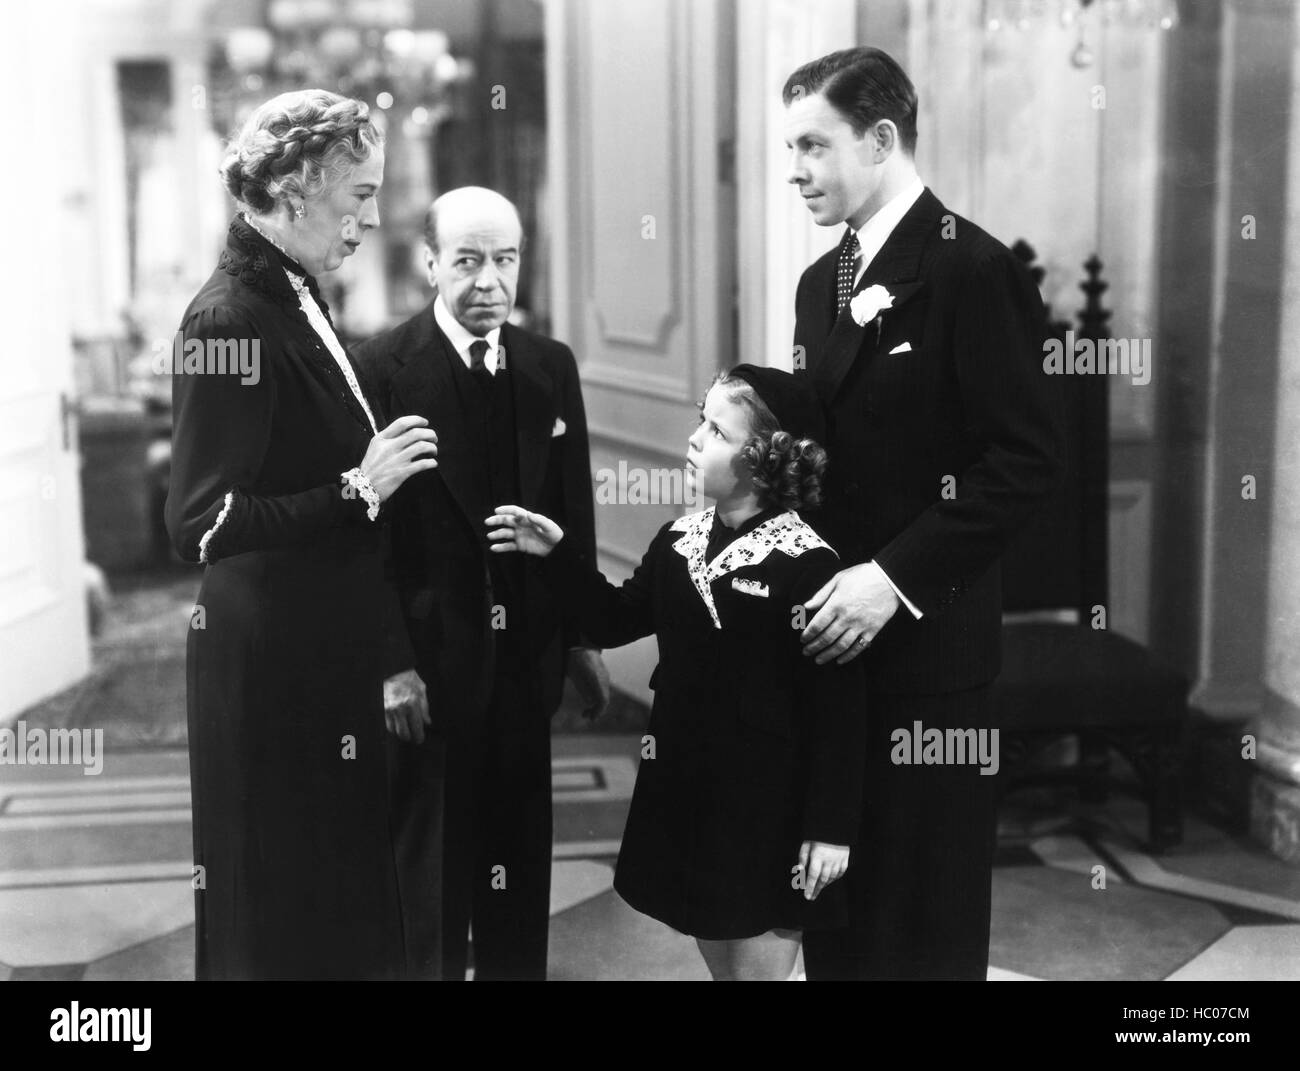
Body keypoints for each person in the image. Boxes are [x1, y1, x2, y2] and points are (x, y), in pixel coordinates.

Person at [783, 47, 1065, 980]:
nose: (797, 171)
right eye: (793, 149)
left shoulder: (975, 271)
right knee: (838, 923)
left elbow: (1024, 465)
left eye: (814, 147)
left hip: (928, 662)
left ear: (883, 138)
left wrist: (893, 581)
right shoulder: (817, 283)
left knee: (921, 932)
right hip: (828, 654)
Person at [165, 89, 438, 980]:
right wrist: (363, 486)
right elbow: (200, 522)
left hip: (318, 649)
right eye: (358, 194)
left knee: (328, 891)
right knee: (278, 901)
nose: (371, 216)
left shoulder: (292, 292)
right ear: (292, 187)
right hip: (268, 664)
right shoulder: (227, 319)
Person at [487, 365, 866, 982]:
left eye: (716, 430)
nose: (694, 439)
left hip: (770, 807)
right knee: (717, 953)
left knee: (757, 972)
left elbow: (840, 713)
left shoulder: (810, 568)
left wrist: (829, 832)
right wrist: (557, 556)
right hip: (690, 789)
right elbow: (612, 620)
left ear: (765, 458)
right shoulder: (678, 541)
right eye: (701, 420)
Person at [354, 186, 608, 981]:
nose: (489, 281)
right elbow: (365, 542)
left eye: (505, 259)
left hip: (525, 663)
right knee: (432, 878)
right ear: (430, 263)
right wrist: (391, 662)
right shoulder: (380, 368)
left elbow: (574, 511)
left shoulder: (548, 365)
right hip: (429, 669)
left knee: (519, 868)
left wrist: (580, 637)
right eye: (467, 261)